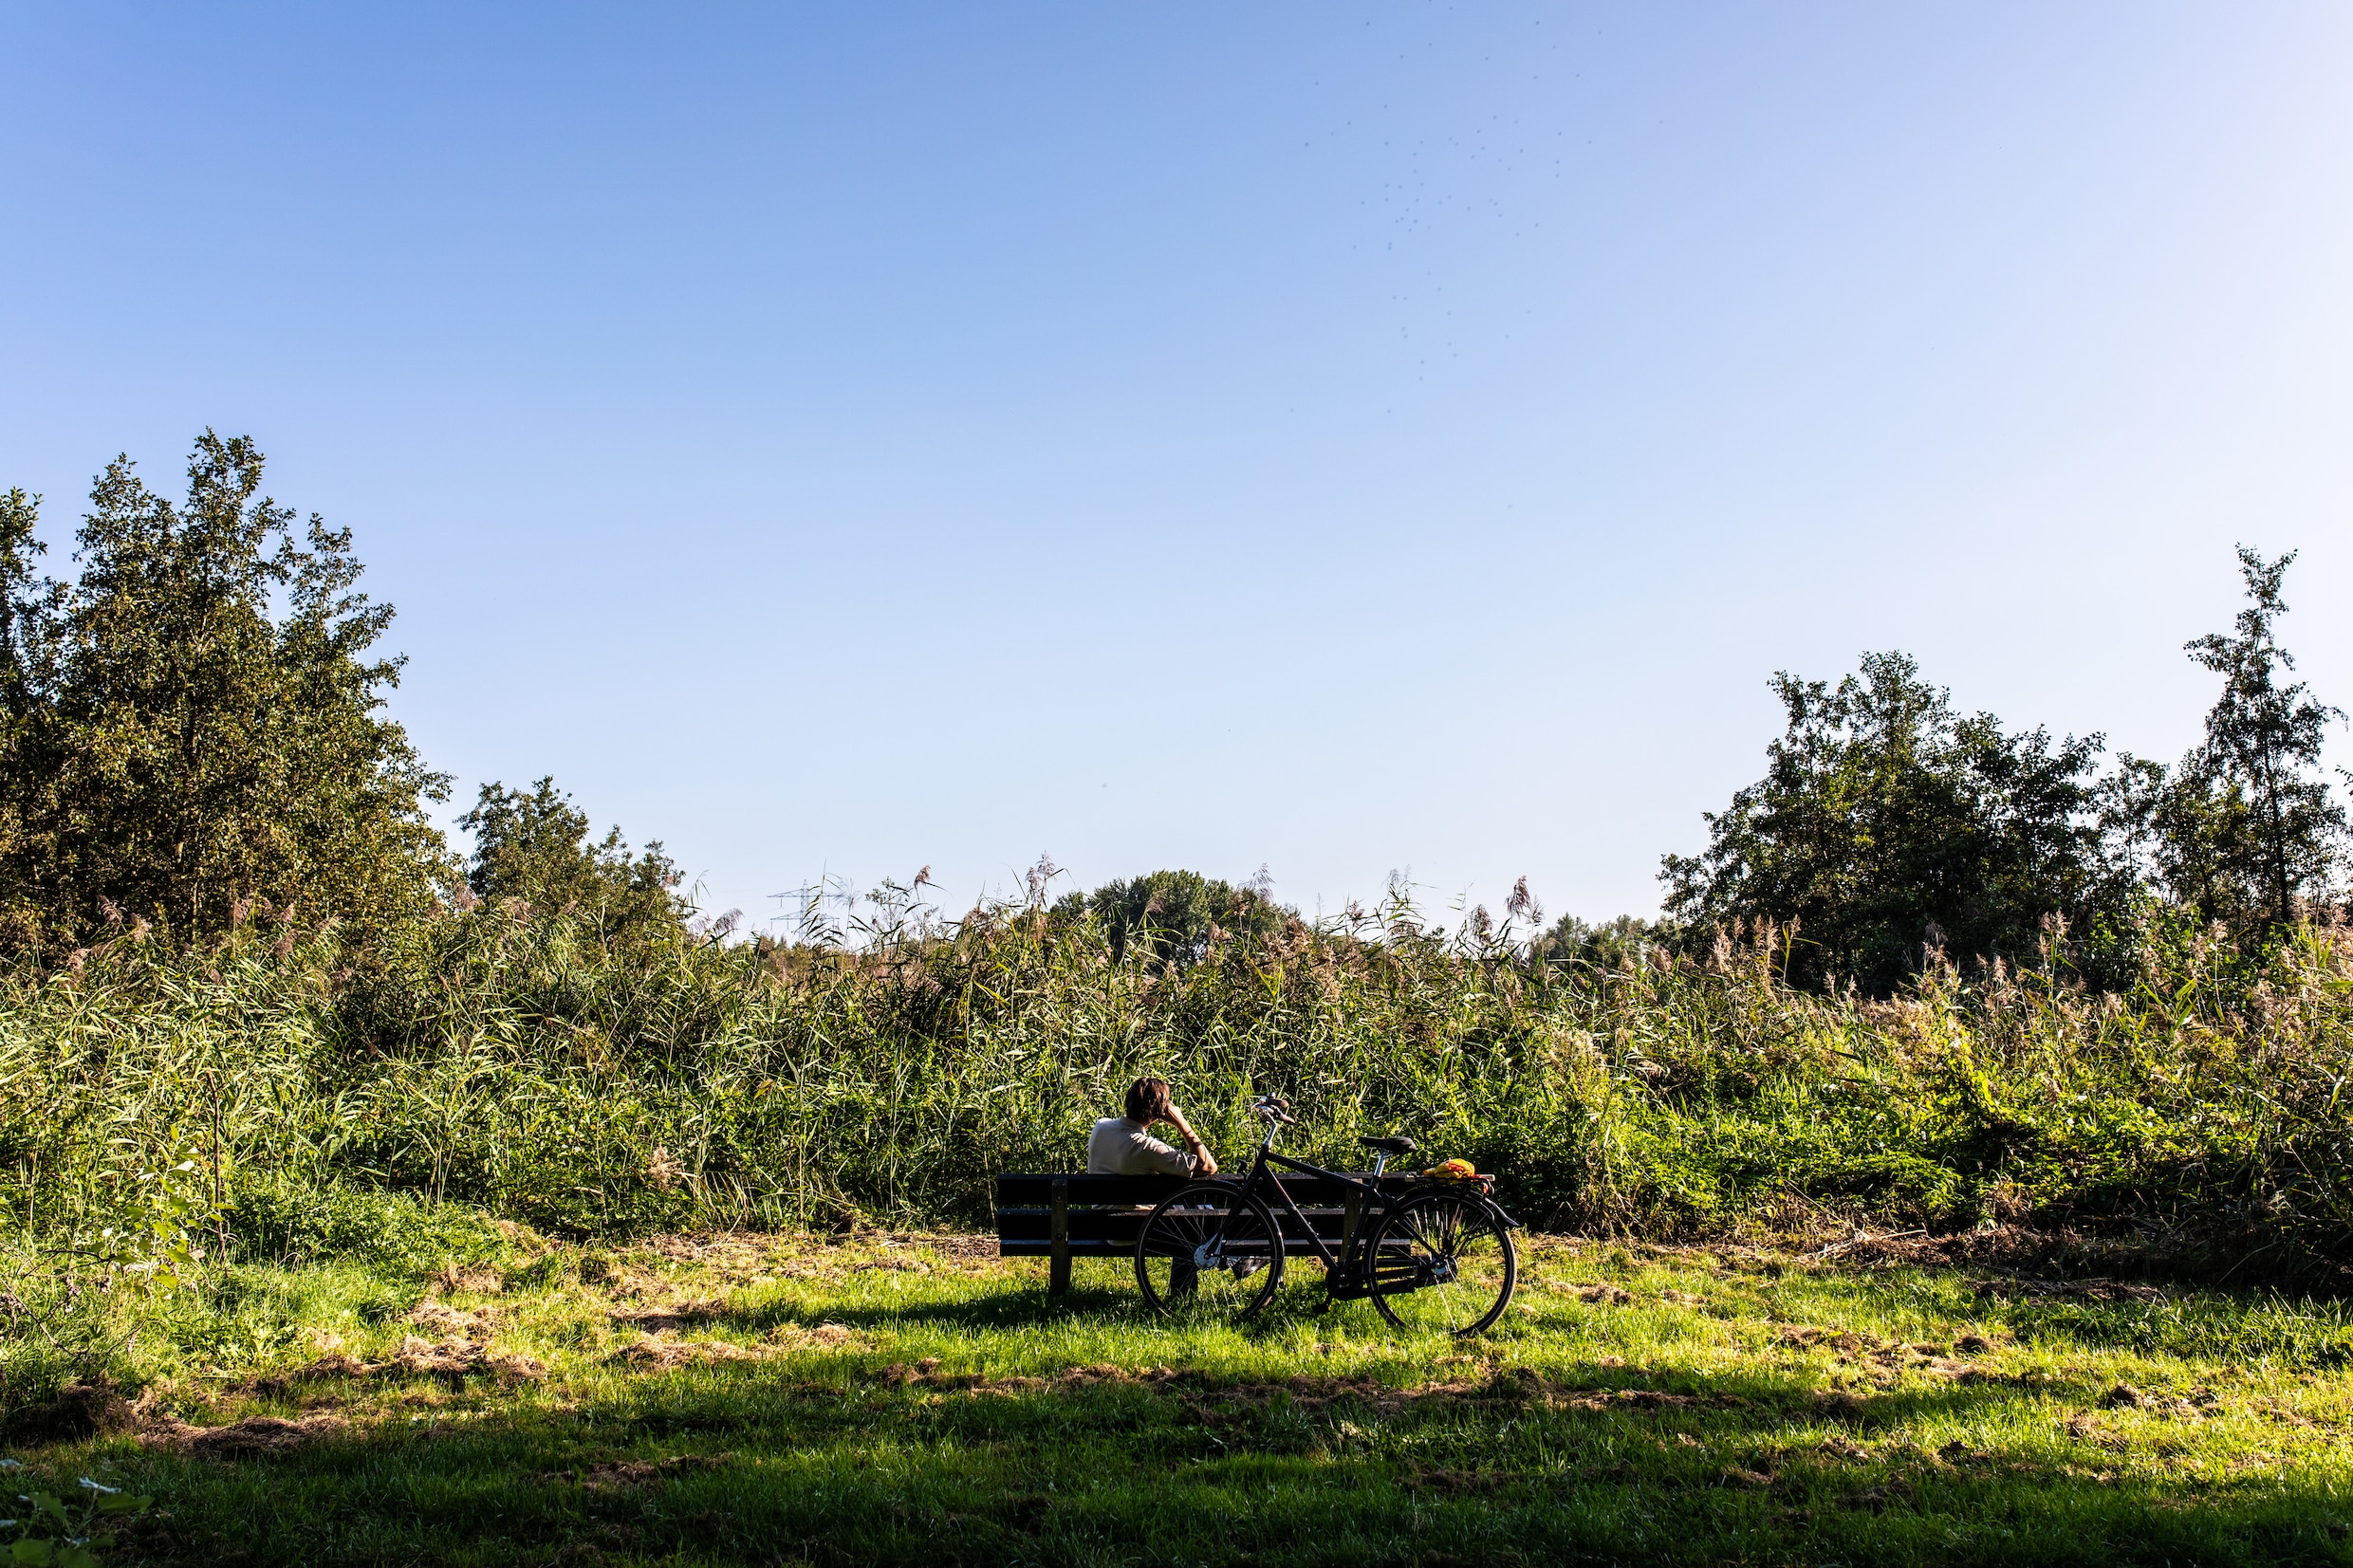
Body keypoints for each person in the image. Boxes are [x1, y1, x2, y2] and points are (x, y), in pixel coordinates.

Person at [1088, 1077, 1219, 1176]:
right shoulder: (1148, 1148)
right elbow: (1207, 1166)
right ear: (1160, 1114)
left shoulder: (1100, 1127)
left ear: (1128, 1100)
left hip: (1098, 1211)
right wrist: (1182, 1123)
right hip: (1141, 1213)